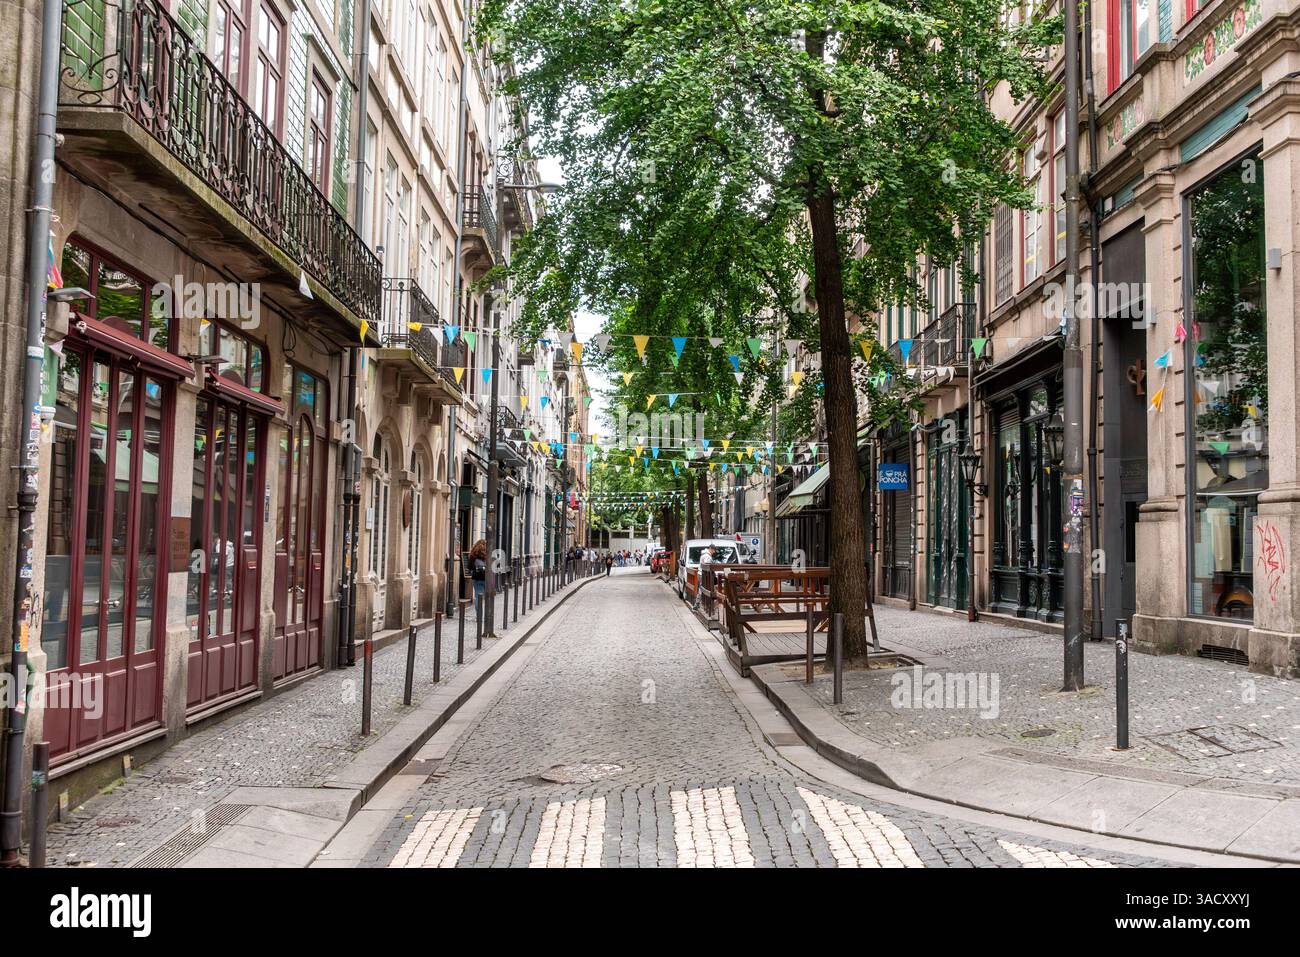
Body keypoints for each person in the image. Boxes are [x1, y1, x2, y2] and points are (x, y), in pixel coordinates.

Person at [467, 539, 488, 620]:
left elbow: (469, 567)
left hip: (477, 578)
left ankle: (479, 617)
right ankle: (488, 616)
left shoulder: (473, 555)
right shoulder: (488, 554)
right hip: (487, 579)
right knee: (488, 598)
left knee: (478, 597)